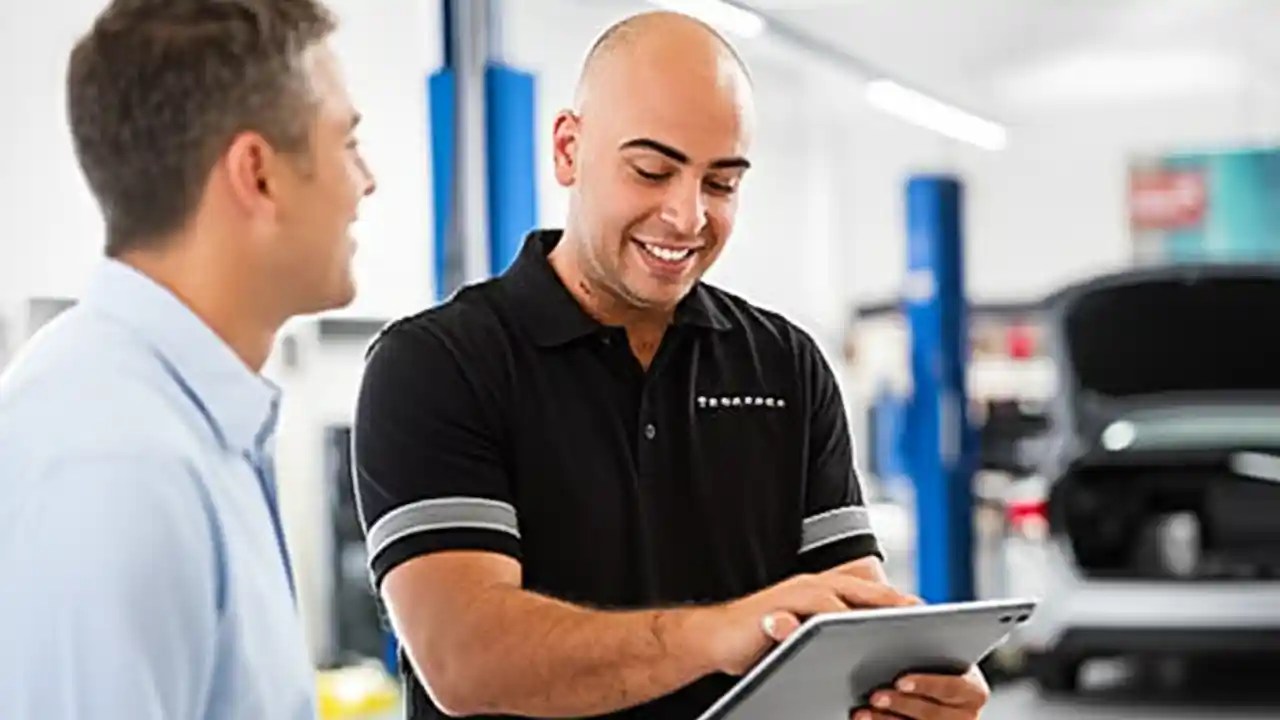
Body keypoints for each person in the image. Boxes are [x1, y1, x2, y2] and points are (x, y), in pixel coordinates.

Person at [353, 11, 988, 720]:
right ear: (568, 150)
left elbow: (850, 616)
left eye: (721, 184)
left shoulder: (786, 367)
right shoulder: (437, 365)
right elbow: (466, 661)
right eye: (652, 171)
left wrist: (910, 684)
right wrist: (720, 632)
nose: (687, 217)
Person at [0, 0, 376, 717]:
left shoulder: (188, 428)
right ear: (257, 174)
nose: (366, 182)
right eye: (347, 144)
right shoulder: (114, 466)